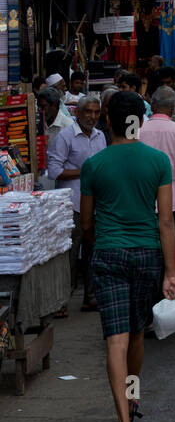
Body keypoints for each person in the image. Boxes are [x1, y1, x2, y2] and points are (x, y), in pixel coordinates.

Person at [79, 91, 175, 422]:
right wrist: (170, 271)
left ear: (108, 120)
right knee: (137, 333)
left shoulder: (94, 164)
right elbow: (165, 220)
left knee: (115, 341)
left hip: (108, 254)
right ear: (141, 119)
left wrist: (102, 239)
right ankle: (133, 400)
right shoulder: (157, 161)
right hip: (148, 255)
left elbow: (86, 221)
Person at [46, 93, 106, 315]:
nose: (92, 116)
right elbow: (54, 171)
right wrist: (85, 172)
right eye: (88, 112)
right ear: (78, 113)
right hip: (72, 205)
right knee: (69, 255)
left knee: (93, 253)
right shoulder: (65, 136)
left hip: (96, 204)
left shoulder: (100, 136)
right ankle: (61, 301)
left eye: (96, 112)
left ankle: (90, 297)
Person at [139, 87, 175, 306]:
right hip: (171, 201)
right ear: (173, 108)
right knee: (168, 254)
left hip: (143, 199)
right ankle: (167, 301)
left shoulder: (139, 129)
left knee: (146, 252)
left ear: (152, 105)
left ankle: (148, 302)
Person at [37, 86, 75, 155]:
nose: (39, 110)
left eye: (43, 106)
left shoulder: (68, 126)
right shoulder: (37, 123)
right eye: (38, 106)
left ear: (54, 106)